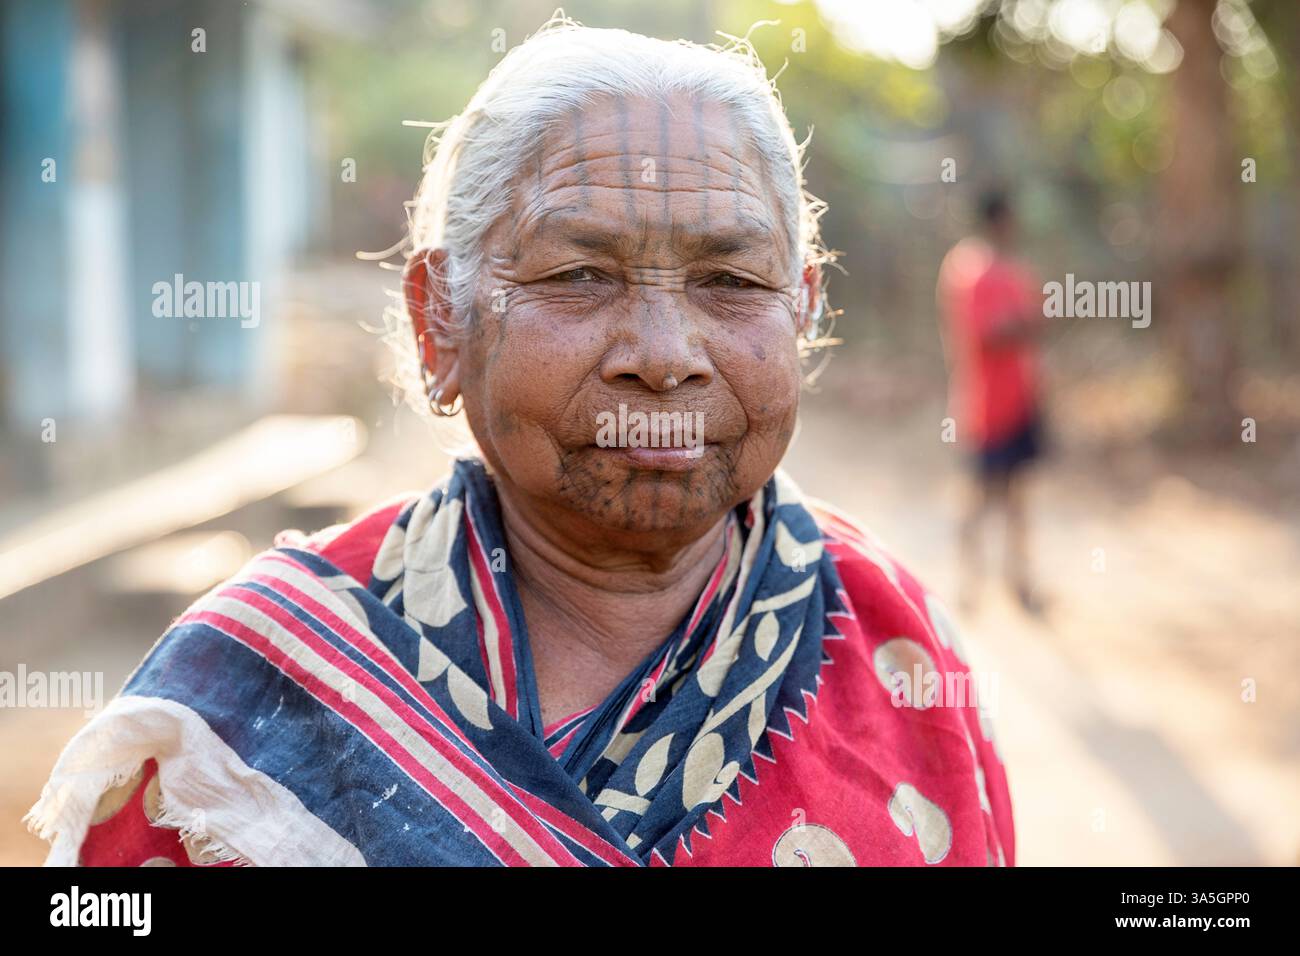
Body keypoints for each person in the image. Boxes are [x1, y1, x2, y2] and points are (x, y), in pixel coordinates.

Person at [27, 15, 1013, 867]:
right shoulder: (244, 709)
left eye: (730, 281)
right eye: (580, 275)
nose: (663, 355)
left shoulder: (899, 654)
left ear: (799, 314)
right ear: (439, 325)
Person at [937, 190, 1046, 615]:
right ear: (1000, 220)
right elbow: (992, 331)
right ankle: (968, 586)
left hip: (1020, 399)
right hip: (984, 403)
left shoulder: (1010, 271)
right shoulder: (973, 271)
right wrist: (1024, 325)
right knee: (980, 496)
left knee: (1019, 496)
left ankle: (1021, 582)